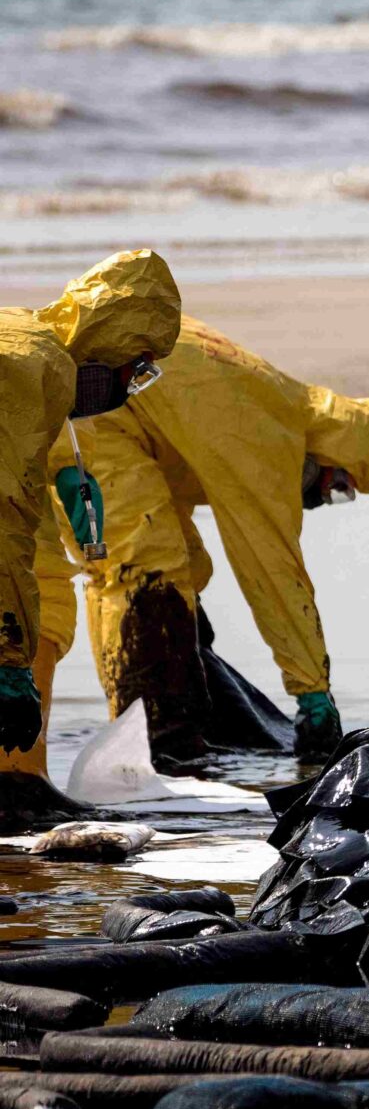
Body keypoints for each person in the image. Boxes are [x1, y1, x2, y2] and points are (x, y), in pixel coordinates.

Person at [48, 317, 369, 767]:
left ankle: (172, 716)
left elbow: (166, 452)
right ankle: (155, 744)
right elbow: (272, 571)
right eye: (336, 485)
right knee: (143, 569)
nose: (321, 498)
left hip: (100, 411)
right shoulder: (268, 433)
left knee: (185, 569)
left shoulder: (269, 394)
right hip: (91, 417)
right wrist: (312, 689)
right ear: (330, 452)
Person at [0, 250, 185, 796]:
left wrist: (59, 468)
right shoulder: (42, 366)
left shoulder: (24, 336)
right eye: (138, 368)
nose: (130, 388)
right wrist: (11, 659)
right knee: (42, 591)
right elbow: (6, 519)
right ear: (113, 348)